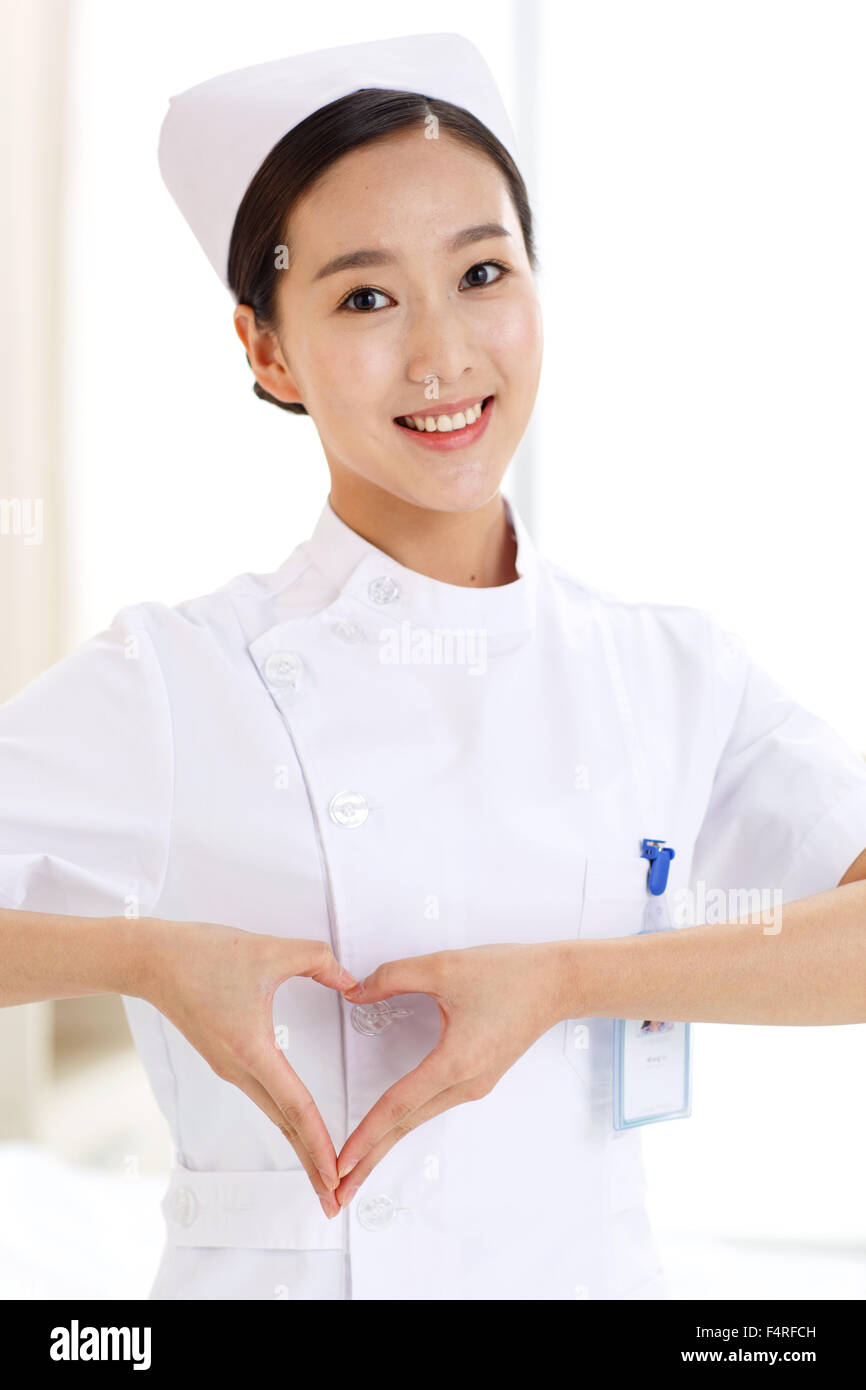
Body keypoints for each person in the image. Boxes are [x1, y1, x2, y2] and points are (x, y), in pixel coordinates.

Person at [2, 32, 866, 1302]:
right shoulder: (178, 680)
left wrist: (568, 980)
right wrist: (140, 959)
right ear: (267, 351)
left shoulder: (666, 669)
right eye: (364, 297)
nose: (442, 355)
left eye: (479, 273)